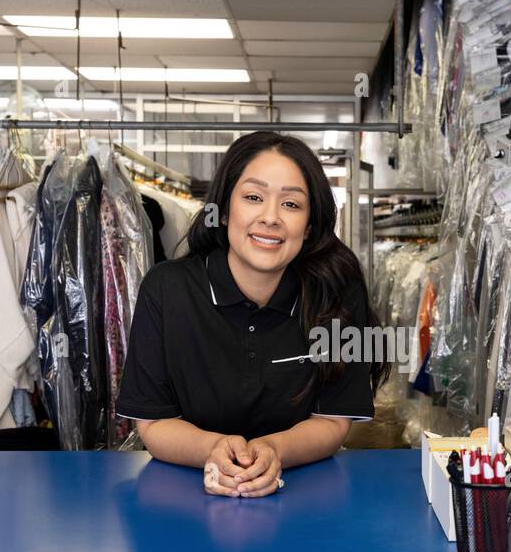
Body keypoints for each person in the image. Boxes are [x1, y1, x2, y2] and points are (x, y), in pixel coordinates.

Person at [116, 131, 389, 497]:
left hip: (303, 501)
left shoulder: (337, 293)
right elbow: (153, 422)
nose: (271, 217)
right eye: (253, 197)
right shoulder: (166, 289)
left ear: (308, 226)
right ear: (225, 210)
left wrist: (275, 451)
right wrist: (212, 451)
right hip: (182, 498)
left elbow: (332, 419)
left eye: (291, 204)